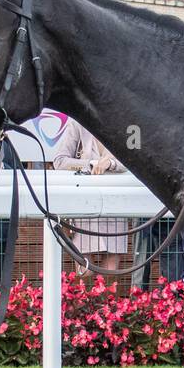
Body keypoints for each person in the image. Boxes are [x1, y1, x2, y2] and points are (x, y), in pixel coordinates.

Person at [51, 116, 132, 277]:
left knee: (111, 271)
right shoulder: (77, 123)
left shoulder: (124, 124)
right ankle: (83, 302)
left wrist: (111, 163)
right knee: (84, 271)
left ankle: (106, 303)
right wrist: (90, 164)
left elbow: (132, 160)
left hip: (115, 205)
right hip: (85, 204)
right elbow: (59, 161)